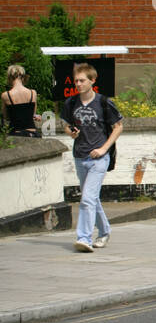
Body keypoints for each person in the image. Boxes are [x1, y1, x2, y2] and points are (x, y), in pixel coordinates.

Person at [60, 63, 123, 252]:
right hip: (80, 156)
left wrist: (104, 149)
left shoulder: (103, 103)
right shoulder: (70, 103)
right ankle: (104, 232)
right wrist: (70, 132)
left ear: (92, 81)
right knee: (92, 199)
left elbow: (118, 126)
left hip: (98, 158)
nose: (78, 84)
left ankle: (84, 238)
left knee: (87, 198)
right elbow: (65, 124)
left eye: (82, 80)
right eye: (76, 81)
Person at [3, 64, 41, 138]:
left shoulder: (6, 95)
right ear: (23, 77)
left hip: (16, 133)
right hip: (32, 133)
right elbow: (32, 114)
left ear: (9, 77)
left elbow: (6, 117)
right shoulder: (33, 93)